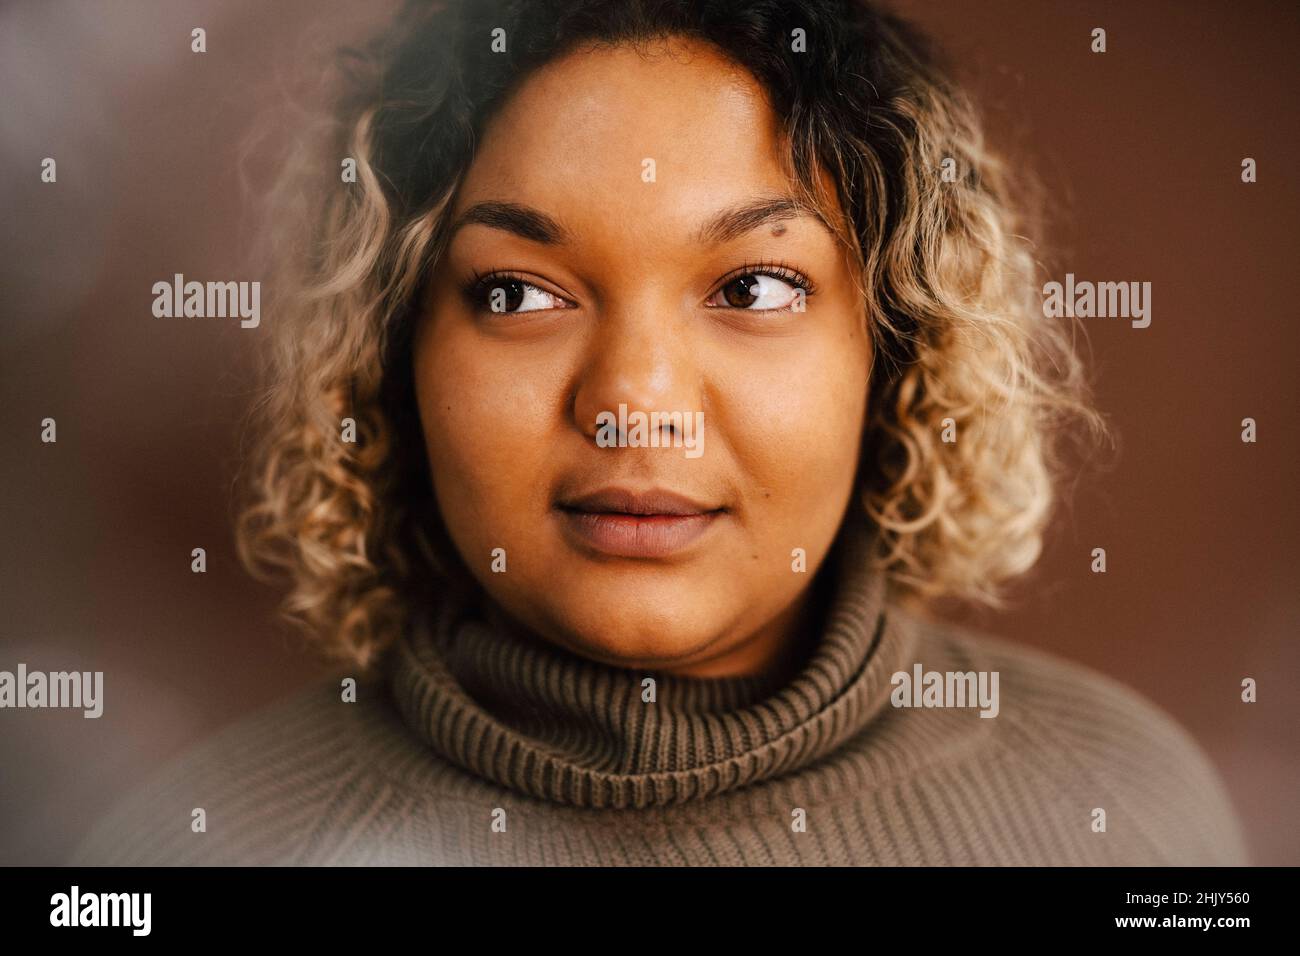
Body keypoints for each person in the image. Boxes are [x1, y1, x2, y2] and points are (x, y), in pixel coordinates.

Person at [69, 0, 1248, 866]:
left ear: (896, 348)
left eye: (752, 289)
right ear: (392, 356)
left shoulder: (1120, 812)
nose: (634, 401)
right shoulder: (187, 849)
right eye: (517, 293)